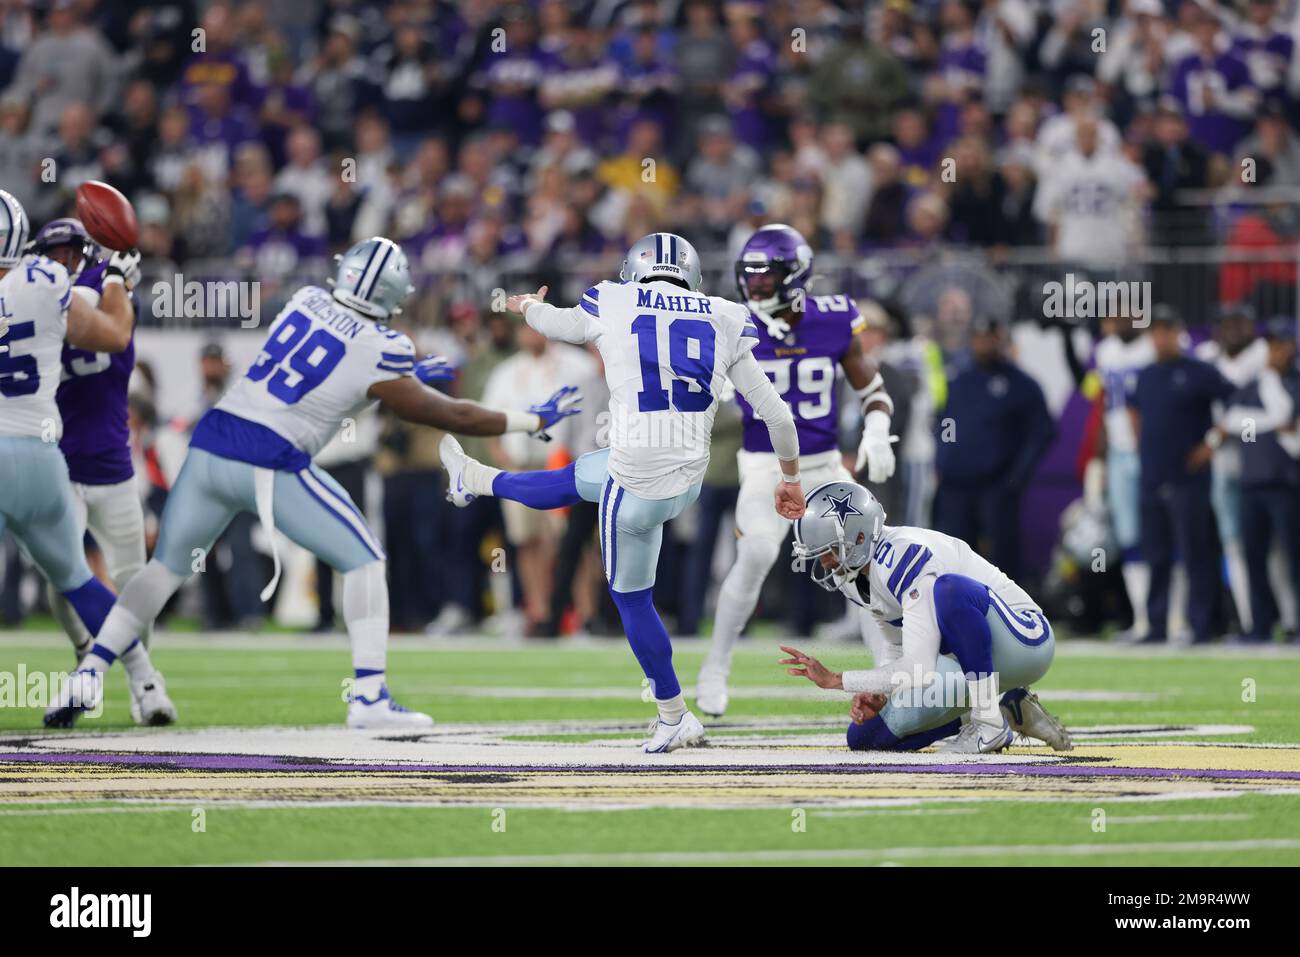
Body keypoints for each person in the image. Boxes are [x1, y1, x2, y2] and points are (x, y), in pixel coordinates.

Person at [45, 236, 582, 729]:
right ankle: (369, 695)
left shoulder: (304, 301)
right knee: (366, 558)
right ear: (395, 293)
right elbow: (453, 416)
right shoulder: (384, 345)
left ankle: (89, 671)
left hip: (213, 442)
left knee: (164, 570)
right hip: (269, 458)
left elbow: (339, 360)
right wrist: (530, 420)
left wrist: (411, 373)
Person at [439, 231, 804, 753]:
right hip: (686, 479)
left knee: (630, 597)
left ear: (635, 268)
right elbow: (777, 415)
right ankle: (474, 480)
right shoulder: (723, 315)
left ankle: (673, 713)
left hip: (635, 477)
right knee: (584, 474)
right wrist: (790, 479)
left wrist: (528, 308)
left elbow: (560, 324)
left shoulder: (615, 297)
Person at [694, 223, 898, 717]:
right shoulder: (732, 321)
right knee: (759, 550)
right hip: (766, 466)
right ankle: (715, 666)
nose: (757, 284)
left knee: (872, 555)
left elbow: (872, 388)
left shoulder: (831, 318)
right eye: (751, 274)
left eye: (768, 275)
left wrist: (876, 430)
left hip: (825, 465)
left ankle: (887, 672)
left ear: (797, 275)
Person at [0, 191, 162, 723]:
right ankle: (146, 681)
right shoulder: (46, 283)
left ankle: (106, 673)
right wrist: (116, 277)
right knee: (76, 579)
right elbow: (115, 333)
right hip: (43, 457)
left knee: (70, 583)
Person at [777, 480, 1072, 754]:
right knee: (865, 738)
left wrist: (836, 680)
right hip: (966, 662)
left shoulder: (902, 554)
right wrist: (878, 693)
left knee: (949, 591)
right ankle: (1008, 710)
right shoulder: (855, 576)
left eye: (829, 551)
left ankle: (988, 722)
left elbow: (919, 667)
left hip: (1023, 642)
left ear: (860, 537)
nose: (825, 563)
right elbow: (895, 646)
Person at [30, 221, 155, 689]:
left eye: (70, 253)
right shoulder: (62, 299)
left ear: (86, 253)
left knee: (135, 581)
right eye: (53, 254)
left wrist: (114, 280)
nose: (62, 262)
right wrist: (115, 277)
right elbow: (95, 318)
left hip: (111, 465)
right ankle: (89, 653)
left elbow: (115, 324)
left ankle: (139, 675)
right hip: (58, 464)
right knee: (62, 577)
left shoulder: (107, 294)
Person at [1130, 308, 1236, 644]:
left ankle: (1202, 626)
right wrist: (1139, 443)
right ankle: (1156, 626)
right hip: (1152, 476)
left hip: (1188, 478)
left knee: (1196, 553)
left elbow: (1236, 401)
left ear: (1180, 333)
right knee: (1156, 555)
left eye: (1168, 331)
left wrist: (1211, 444)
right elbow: (1133, 408)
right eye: (1156, 332)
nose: (1162, 338)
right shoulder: (1145, 374)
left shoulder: (1199, 371)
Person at [1192, 318, 1300, 643]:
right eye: (1271, 345)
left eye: (1280, 345)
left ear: (1292, 347)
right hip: (1252, 482)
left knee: (1294, 558)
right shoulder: (1254, 385)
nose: (1275, 352)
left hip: (1287, 483)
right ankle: (1260, 626)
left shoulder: (1292, 383)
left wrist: (1256, 421)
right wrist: (1266, 423)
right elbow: (1233, 420)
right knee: (1254, 558)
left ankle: (1294, 624)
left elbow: (1286, 421)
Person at [931, 314, 1055, 580]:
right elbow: (944, 422)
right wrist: (942, 460)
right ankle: (958, 616)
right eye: (979, 339)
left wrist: (1016, 476)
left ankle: (1009, 615)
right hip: (956, 485)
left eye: (990, 338)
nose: (984, 344)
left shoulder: (1022, 384)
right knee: (954, 557)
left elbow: (1042, 432)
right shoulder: (959, 380)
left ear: (1002, 340)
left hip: (995, 485)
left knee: (1002, 559)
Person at [1092, 311, 1156, 640]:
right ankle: (1143, 617)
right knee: (1129, 535)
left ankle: (1170, 618)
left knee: (1162, 532)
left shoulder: (1153, 346)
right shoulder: (1105, 351)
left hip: (1153, 450)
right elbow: (1105, 404)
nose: (1120, 320)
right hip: (1119, 450)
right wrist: (1099, 453)